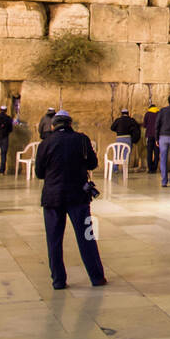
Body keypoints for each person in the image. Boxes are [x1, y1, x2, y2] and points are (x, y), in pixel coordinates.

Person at [35, 109, 106, 290]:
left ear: (53, 125)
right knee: (87, 237)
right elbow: (92, 163)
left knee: (54, 240)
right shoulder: (81, 139)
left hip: (52, 197)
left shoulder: (45, 143)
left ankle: (58, 280)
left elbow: (39, 173)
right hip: (78, 196)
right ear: (70, 123)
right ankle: (96, 277)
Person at [142, 101, 160, 173]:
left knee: (149, 152)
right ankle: (155, 168)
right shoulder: (159, 113)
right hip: (157, 136)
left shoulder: (147, 114)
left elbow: (144, 125)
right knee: (156, 152)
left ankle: (150, 168)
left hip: (149, 135)